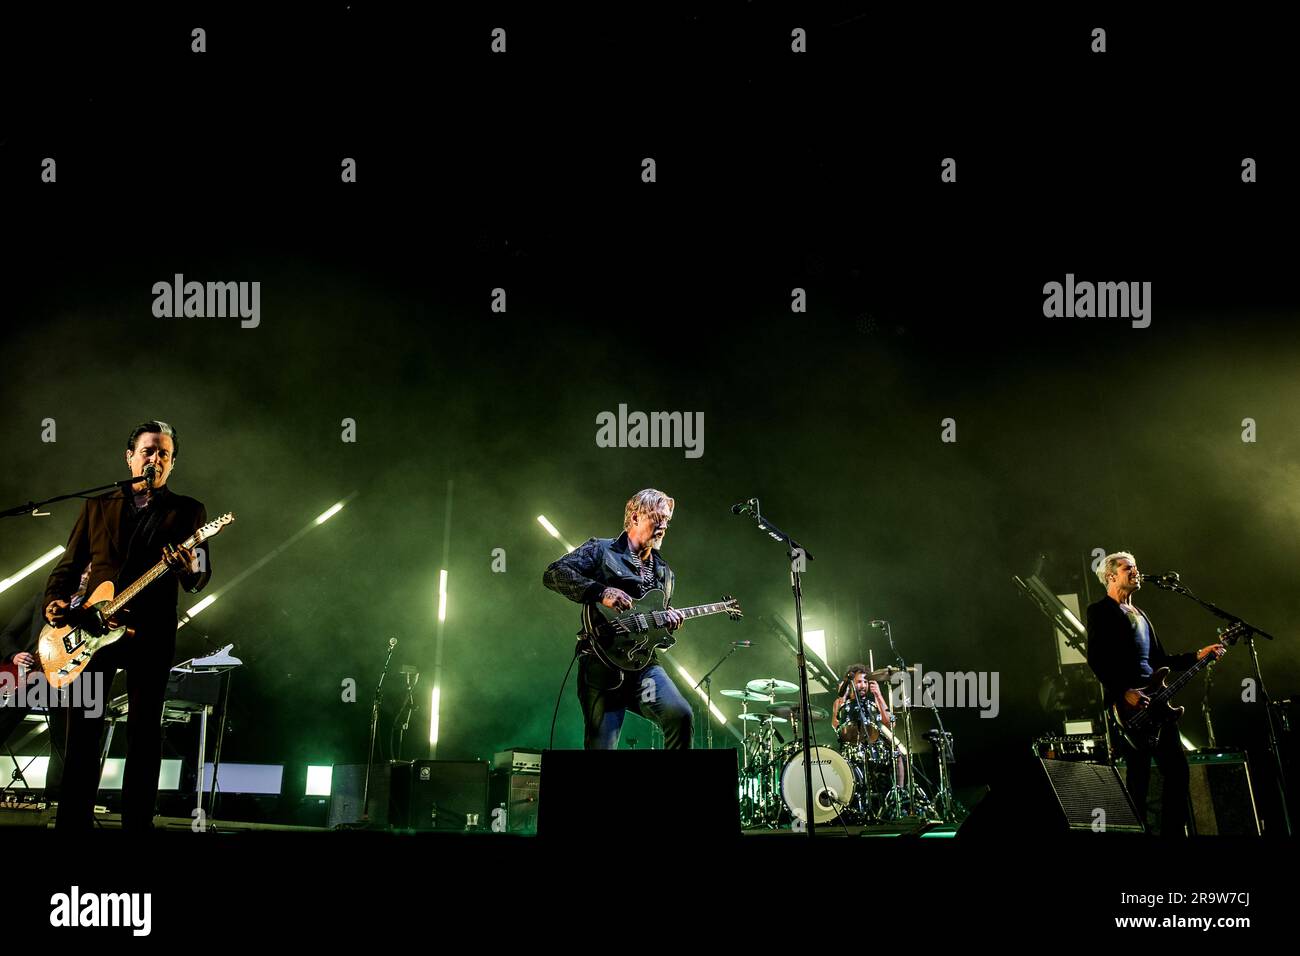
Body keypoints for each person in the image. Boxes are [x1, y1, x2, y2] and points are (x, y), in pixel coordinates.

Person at [43, 420, 211, 830]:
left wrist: (189, 568)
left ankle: (138, 822)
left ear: (172, 463)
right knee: (83, 729)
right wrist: (55, 601)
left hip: (150, 632)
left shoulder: (188, 511)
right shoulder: (97, 506)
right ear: (130, 456)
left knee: (143, 730)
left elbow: (202, 574)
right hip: (89, 627)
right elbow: (68, 566)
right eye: (149, 451)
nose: (155, 459)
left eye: (164, 454)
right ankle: (72, 820)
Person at [1086, 551, 1223, 836]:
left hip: (1158, 704)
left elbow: (1161, 659)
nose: (1136, 572)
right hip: (1130, 708)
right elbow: (1097, 659)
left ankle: (1171, 832)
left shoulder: (1141, 614)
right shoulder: (1100, 611)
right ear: (1111, 576)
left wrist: (1198, 655)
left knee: (1178, 771)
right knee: (1138, 777)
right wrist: (1124, 692)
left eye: (1136, 568)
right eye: (1128, 568)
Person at [542, 488, 691, 749]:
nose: (664, 525)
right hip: (602, 665)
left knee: (680, 714)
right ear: (635, 518)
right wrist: (601, 592)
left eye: (667, 520)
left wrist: (668, 624)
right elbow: (554, 574)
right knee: (602, 749)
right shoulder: (600, 550)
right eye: (658, 518)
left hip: (643, 667)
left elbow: (656, 635)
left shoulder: (664, 572)